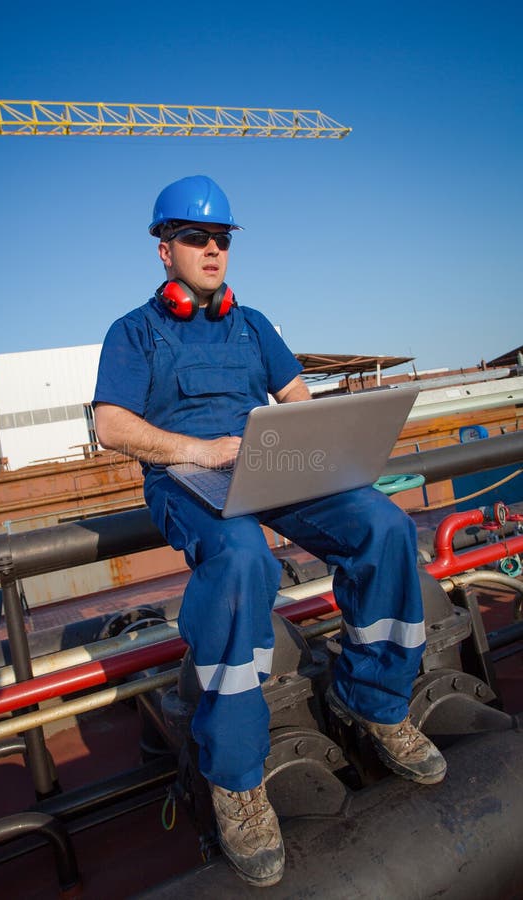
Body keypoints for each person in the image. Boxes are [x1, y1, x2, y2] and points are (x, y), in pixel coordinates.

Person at [93, 175, 447, 888]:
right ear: (165, 249)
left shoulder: (253, 325)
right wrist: (200, 452)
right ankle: (236, 781)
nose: (213, 249)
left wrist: (314, 442)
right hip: (186, 479)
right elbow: (111, 425)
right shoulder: (133, 332)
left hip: (270, 463)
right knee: (241, 557)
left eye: (222, 238)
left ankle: (375, 701)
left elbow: (293, 398)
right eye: (196, 237)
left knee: (381, 522)